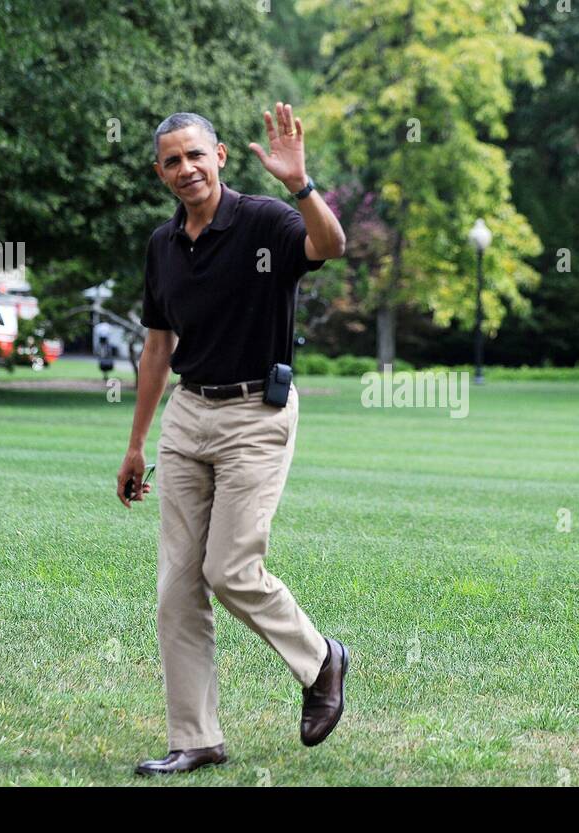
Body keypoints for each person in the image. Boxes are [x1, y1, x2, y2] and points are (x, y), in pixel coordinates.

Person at [117, 105, 349, 776]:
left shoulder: (267, 221)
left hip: (257, 414)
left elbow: (330, 247)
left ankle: (322, 659)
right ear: (159, 172)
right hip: (188, 417)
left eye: (195, 154)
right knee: (176, 587)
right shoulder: (163, 245)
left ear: (219, 156)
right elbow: (158, 346)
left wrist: (302, 185)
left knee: (230, 570)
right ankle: (196, 737)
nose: (185, 168)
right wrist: (137, 443)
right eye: (171, 160)